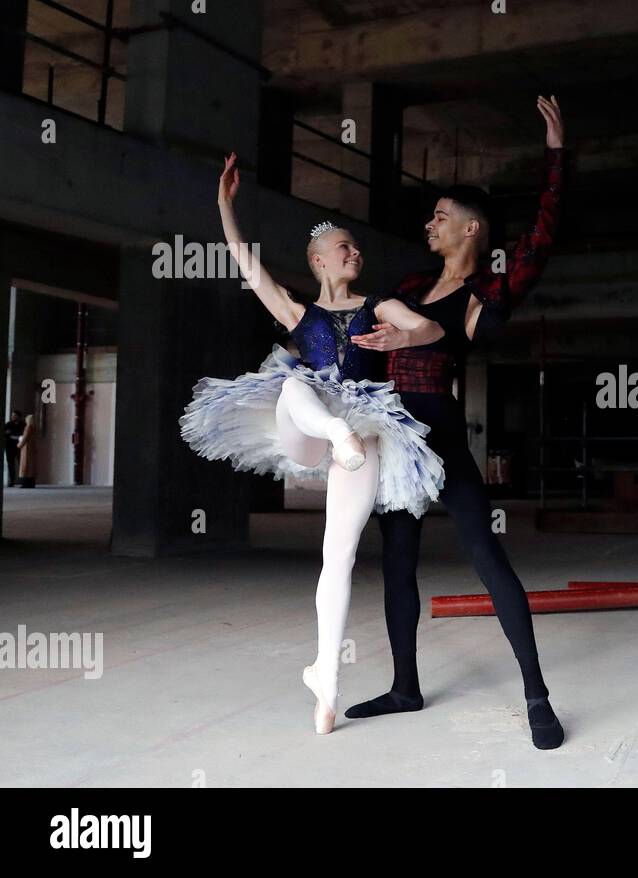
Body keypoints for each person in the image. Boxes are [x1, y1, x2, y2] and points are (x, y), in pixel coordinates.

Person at [180, 154, 449, 734]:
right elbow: (249, 268)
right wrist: (225, 205)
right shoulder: (299, 314)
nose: (356, 253)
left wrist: (407, 332)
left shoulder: (379, 305)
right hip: (311, 433)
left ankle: (325, 683)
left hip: (367, 431)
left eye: (357, 247)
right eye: (345, 246)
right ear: (319, 260)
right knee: (294, 380)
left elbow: (432, 328)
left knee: (338, 556)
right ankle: (335, 431)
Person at [346, 95, 567, 750]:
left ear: (472, 229)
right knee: (396, 563)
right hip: (392, 428)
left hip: (436, 428)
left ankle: (537, 694)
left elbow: (544, 238)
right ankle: (405, 686)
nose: (431, 223)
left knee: (486, 557)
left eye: (442, 216)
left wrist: (557, 157)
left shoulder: (485, 293)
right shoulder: (413, 282)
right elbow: (381, 332)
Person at [16, 414, 36, 488]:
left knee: (25, 465)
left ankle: (26, 483)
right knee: (31, 466)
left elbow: (25, 438)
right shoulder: (34, 427)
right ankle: (31, 483)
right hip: (32, 448)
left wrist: (19, 445)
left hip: (27, 448)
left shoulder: (28, 427)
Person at [4, 411, 23, 487]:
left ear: (18, 416)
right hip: (9, 447)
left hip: (19, 446)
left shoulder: (23, 424)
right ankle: (12, 481)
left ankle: (22, 480)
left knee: (21, 463)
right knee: (10, 464)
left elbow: (24, 434)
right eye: (12, 415)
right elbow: (4, 433)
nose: (13, 417)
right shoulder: (8, 424)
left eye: (14, 415)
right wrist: (7, 433)